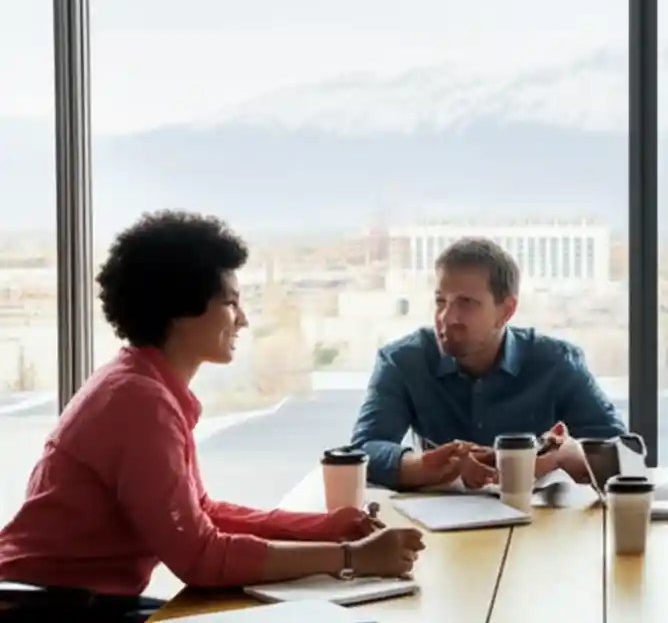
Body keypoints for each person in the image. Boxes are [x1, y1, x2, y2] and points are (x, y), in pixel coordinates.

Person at [0, 211, 423, 622]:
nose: (242, 319)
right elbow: (201, 558)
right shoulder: (139, 403)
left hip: (73, 600)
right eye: (230, 302)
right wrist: (353, 559)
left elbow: (201, 513)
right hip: (46, 607)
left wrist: (325, 527)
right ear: (181, 310)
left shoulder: (142, 385)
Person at [351, 237, 626, 491]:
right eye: (441, 301)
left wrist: (563, 455)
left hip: (539, 525)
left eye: (466, 303)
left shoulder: (557, 363)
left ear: (506, 311)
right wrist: (428, 464)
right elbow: (363, 450)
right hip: (438, 528)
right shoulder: (402, 361)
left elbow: (624, 453)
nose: (447, 317)